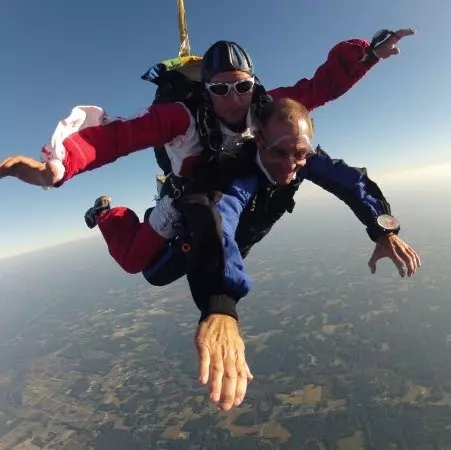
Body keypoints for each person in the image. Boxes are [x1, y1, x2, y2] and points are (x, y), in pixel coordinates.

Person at [0, 29, 415, 275]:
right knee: (142, 267)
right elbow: (118, 138)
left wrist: (365, 55)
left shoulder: (267, 112)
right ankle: (106, 214)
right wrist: (58, 166)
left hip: (229, 193)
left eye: (243, 86)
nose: (234, 99)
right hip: (184, 196)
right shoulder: (179, 119)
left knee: (226, 243)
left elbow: (317, 90)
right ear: (206, 90)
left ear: (255, 83)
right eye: (220, 89)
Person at [145, 98, 421, 411]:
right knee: (155, 273)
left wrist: (383, 228)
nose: (291, 163)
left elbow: (350, 182)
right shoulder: (238, 170)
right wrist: (220, 303)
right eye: (279, 152)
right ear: (259, 140)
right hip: (204, 238)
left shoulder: (300, 154)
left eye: (300, 153)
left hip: (238, 241)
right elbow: (218, 219)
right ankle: (109, 213)